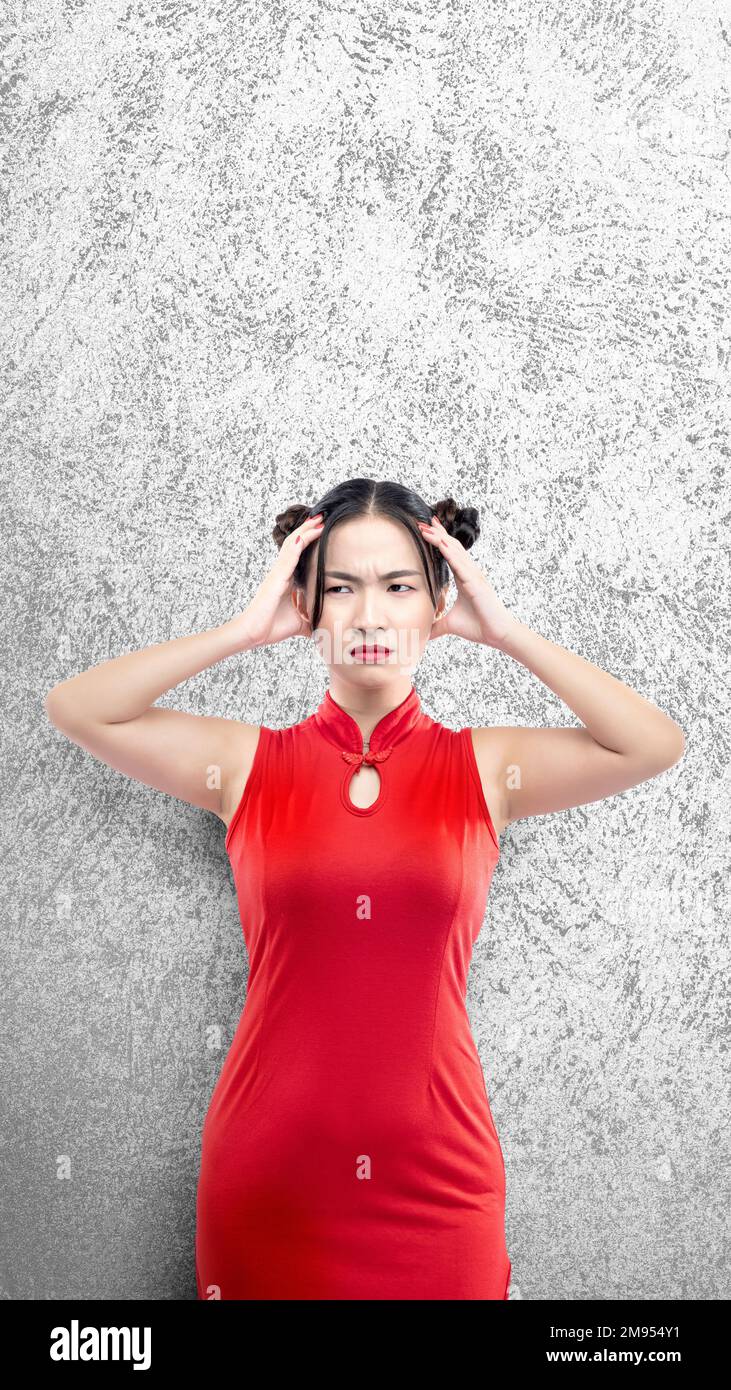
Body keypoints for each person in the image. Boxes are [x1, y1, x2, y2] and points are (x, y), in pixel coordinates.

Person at [44, 478, 685, 1300]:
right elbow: (78, 707)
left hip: (441, 1185)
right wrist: (242, 631)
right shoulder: (247, 766)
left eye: (399, 587)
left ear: (436, 602)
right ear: (305, 605)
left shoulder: (486, 770)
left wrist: (507, 634)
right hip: (270, 1180)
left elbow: (651, 745)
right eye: (340, 588)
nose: (370, 617)